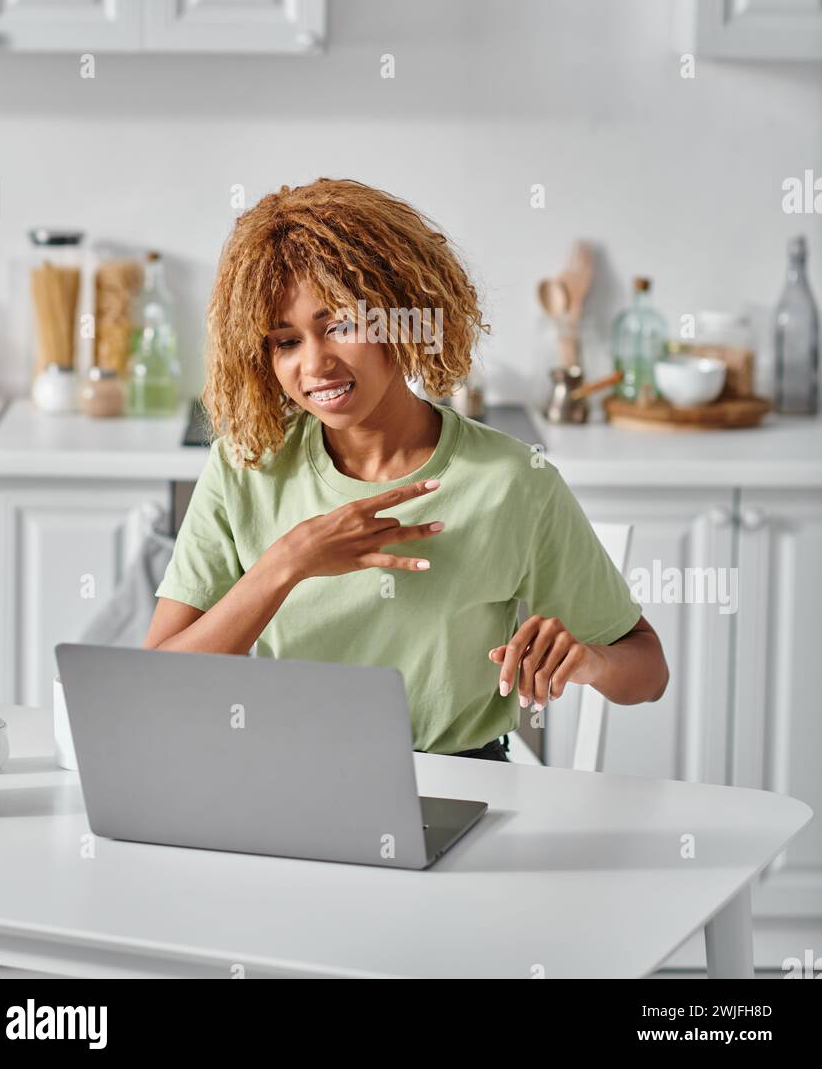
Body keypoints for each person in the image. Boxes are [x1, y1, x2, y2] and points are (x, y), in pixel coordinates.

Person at [146, 177, 669, 760]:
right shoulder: (247, 464)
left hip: (457, 782)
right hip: (282, 776)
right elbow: (158, 684)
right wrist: (287, 563)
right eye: (285, 341)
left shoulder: (512, 479)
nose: (315, 364)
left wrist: (591, 661)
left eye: (340, 324)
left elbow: (648, 672)